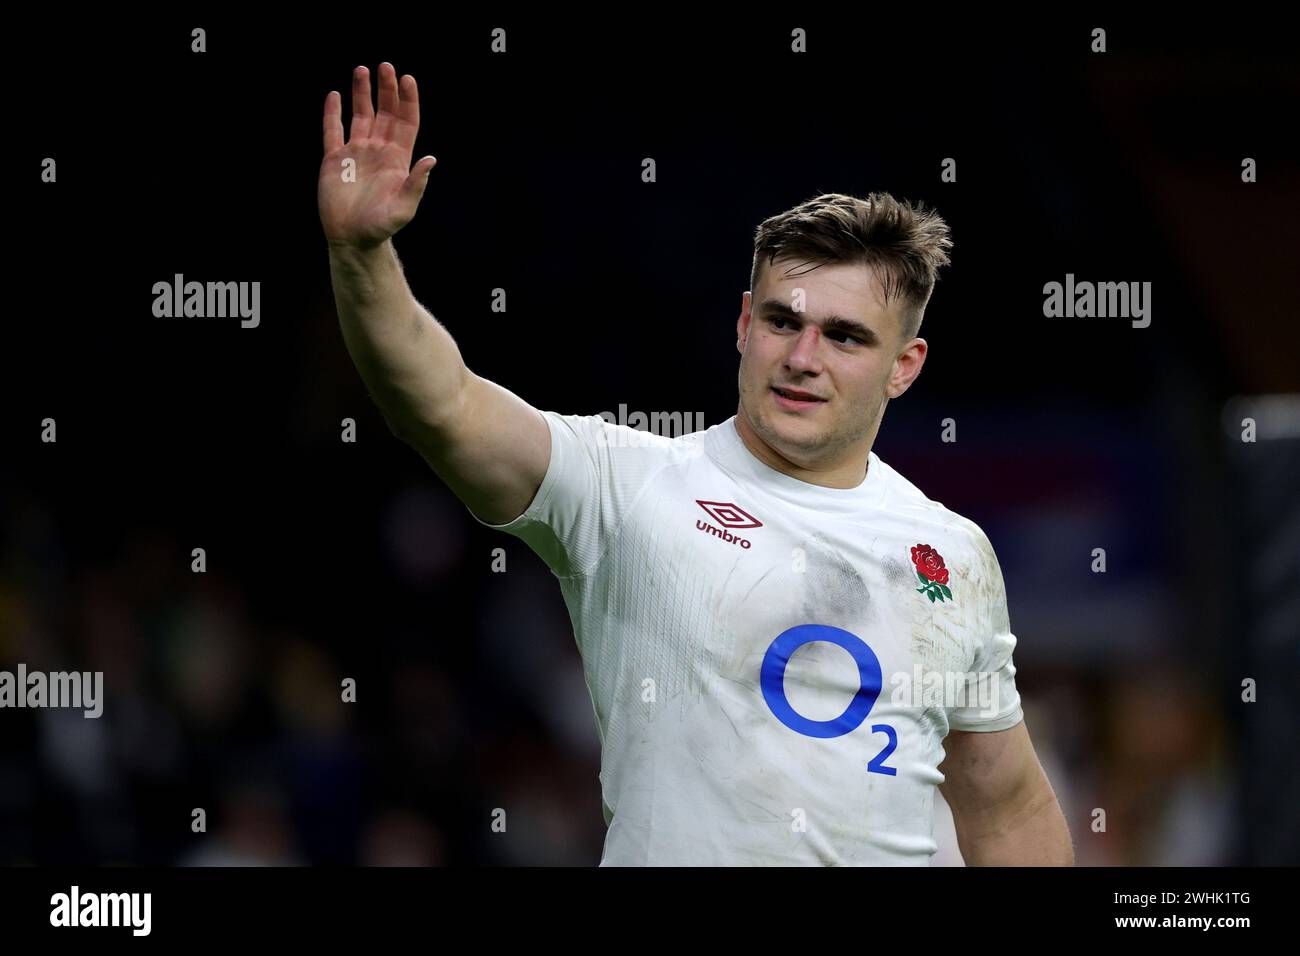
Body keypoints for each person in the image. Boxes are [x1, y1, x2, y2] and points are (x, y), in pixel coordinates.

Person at [318, 62, 1074, 866]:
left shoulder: (950, 554)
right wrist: (363, 255)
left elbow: (1009, 810)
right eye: (784, 321)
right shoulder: (626, 484)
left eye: (846, 336)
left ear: (906, 365)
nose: (803, 357)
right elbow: (442, 407)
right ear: (745, 324)